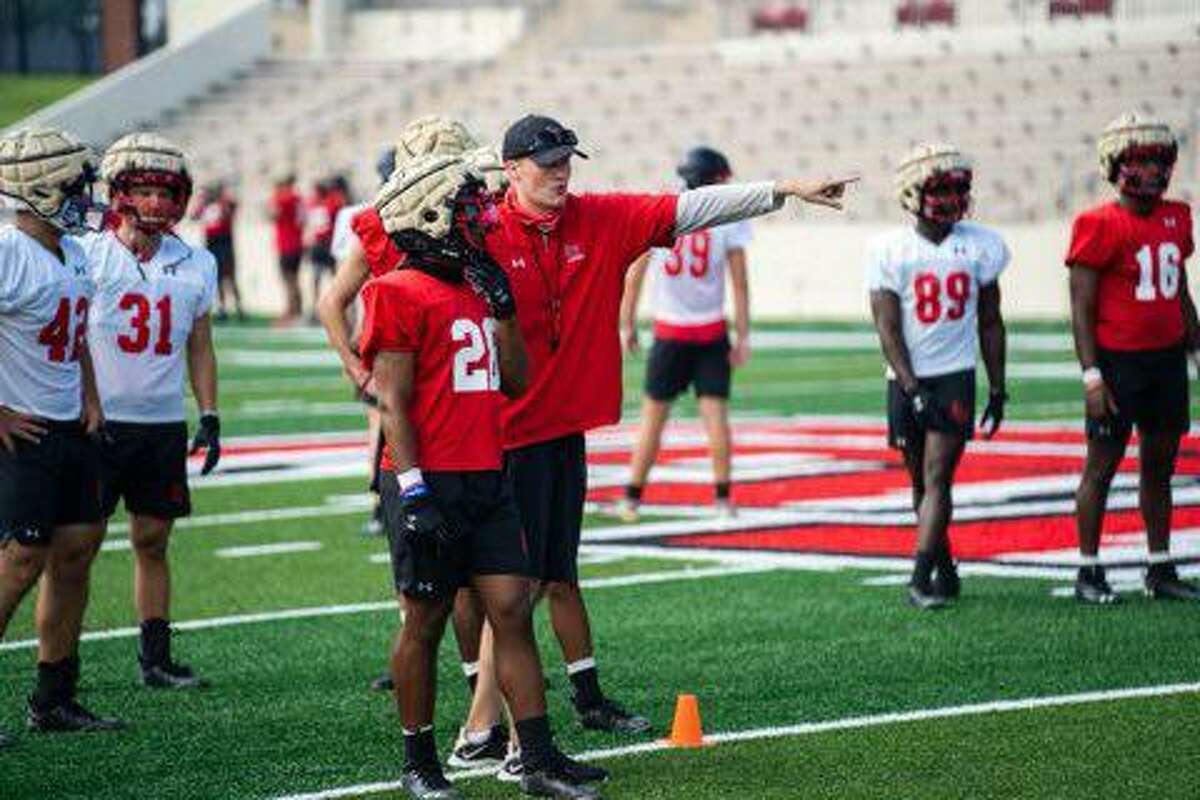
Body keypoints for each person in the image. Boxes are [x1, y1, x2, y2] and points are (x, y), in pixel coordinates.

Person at [477, 113, 856, 772]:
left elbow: (696, 207)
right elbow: (391, 246)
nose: (562, 172)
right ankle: (506, 739)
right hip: (506, 438)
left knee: (548, 578)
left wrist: (787, 188)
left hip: (562, 431)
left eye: (568, 159)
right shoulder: (480, 229)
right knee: (513, 592)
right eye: (547, 163)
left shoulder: (598, 217)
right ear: (511, 170)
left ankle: (514, 721)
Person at [360, 153, 606, 799]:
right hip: (428, 477)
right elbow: (391, 403)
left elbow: (519, 382)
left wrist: (503, 312)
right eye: (468, 209)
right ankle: (419, 762)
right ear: (430, 216)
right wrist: (412, 489)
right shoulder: (393, 290)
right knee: (425, 620)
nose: (481, 219)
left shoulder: (475, 287)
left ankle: (540, 759)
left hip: (487, 472)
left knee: (512, 609)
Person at [61, 132, 221, 688]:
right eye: (144, 191)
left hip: (160, 423)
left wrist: (210, 412)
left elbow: (199, 343)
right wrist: (85, 403)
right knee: (75, 550)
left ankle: (155, 658)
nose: (155, 203)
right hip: (96, 421)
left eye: (165, 192)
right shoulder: (86, 253)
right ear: (120, 192)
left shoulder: (196, 261)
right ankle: (57, 673)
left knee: (153, 540)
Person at [0, 127, 121, 736]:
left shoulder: (73, 251)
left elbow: (74, 337)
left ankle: (54, 696)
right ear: (40, 188)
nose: (85, 195)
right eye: (75, 185)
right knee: (19, 562)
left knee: (75, 554)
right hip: (21, 432)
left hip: (70, 424)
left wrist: (92, 395)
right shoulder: (5, 249)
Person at [866, 142, 1009, 610]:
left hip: (954, 376)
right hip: (905, 378)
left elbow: (990, 321)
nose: (950, 199)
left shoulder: (980, 244)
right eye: (939, 190)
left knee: (937, 478)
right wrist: (910, 387)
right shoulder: (890, 248)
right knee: (919, 485)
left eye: (957, 190)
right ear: (912, 194)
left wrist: (998, 385)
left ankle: (919, 577)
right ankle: (945, 569)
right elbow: (886, 328)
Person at [1066, 112, 1200, 604]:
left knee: (1159, 467)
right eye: (1140, 161)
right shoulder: (1096, 223)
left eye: (1159, 160)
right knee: (1101, 466)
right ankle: (1087, 568)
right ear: (1116, 166)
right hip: (1119, 362)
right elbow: (1080, 305)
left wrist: (1196, 346)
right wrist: (1092, 375)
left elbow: (1179, 290)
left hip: (1165, 361)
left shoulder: (1177, 216)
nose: (1153, 171)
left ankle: (1159, 566)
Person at [618, 146, 751, 521]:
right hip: (710, 332)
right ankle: (723, 498)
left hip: (670, 332)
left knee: (653, 419)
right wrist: (743, 334)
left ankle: (632, 495)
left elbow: (636, 273)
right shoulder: (728, 217)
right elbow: (739, 282)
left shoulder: (664, 208)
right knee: (715, 418)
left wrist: (627, 322)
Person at [191, 180, 242, 321]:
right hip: (212, 243)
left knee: (230, 277)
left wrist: (223, 198)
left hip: (225, 242)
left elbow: (231, 210)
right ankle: (222, 308)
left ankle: (239, 307)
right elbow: (193, 216)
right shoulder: (206, 206)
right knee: (217, 278)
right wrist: (201, 201)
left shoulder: (223, 204)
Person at [305, 178, 344, 323]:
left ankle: (335, 309)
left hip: (327, 245)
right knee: (316, 279)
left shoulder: (330, 203)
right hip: (319, 246)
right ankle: (315, 311)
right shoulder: (315, 204)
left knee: (334, 279)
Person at [267, 173, 304, 324]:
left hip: (287, 244)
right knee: (294, 279)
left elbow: (272, 215)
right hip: (296, 243)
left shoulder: (283, 198)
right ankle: (297, 310)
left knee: (288, 280)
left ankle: (292, 312)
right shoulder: (297, 198)